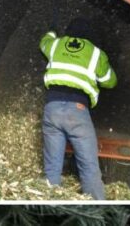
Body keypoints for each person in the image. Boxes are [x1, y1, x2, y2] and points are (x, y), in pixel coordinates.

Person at [39, 16, 117, 200]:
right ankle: (98, 209)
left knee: (52, 166)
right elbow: (110, 82)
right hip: (77, 111)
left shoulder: (56, 44)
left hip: (52, 109)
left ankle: (49, 205)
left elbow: (44, 42)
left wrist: (52, 29)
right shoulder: (96, 53)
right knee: (88, 166)